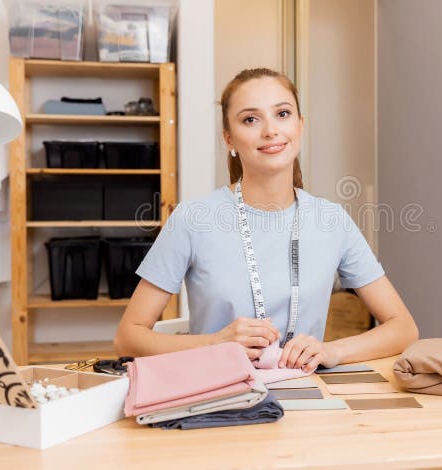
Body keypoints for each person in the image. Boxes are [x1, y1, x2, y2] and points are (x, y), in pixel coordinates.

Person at [114, 68, 418, 372]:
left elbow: (403, 327)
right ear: (229, 139)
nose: (271, 131)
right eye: (250, 119)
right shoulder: (193, 219)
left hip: (307, 396)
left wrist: (332, 351)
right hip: (216, 395)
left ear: (300, 125)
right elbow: (128, 338)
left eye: (282, 114)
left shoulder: (332, 221)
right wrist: (214, 343)